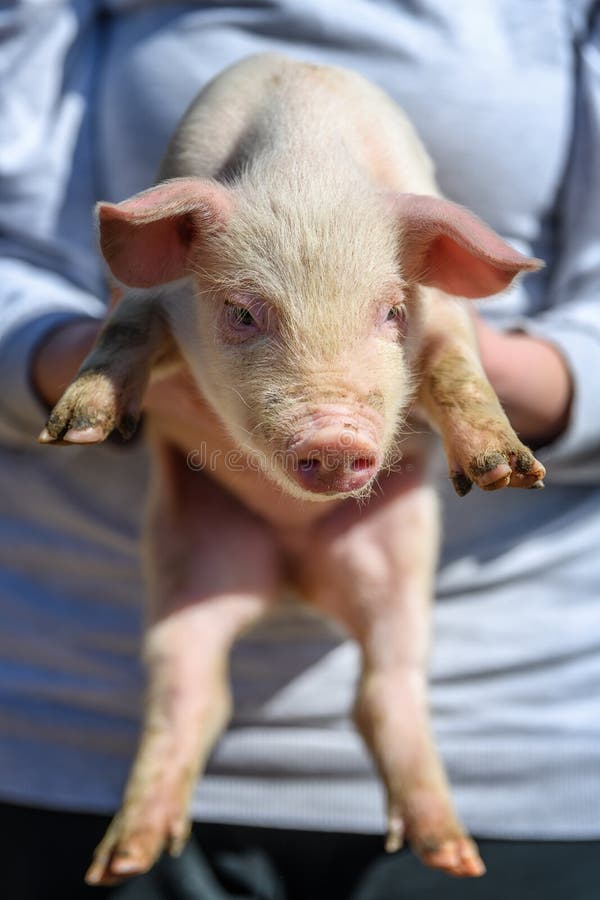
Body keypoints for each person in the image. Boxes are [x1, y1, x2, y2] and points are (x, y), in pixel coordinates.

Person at [1, 1, 599, 898]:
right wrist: (74, 370)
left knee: (397, 673)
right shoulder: (200, 183)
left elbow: (442, 324)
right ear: (177, 230)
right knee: (184, 660)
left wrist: (476, 397)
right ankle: (159, 784)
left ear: (440, 247)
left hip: (515, 728)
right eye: (241, 312)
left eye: (394, 309)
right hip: (69, 714)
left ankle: (421, 781)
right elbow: (138, 293)